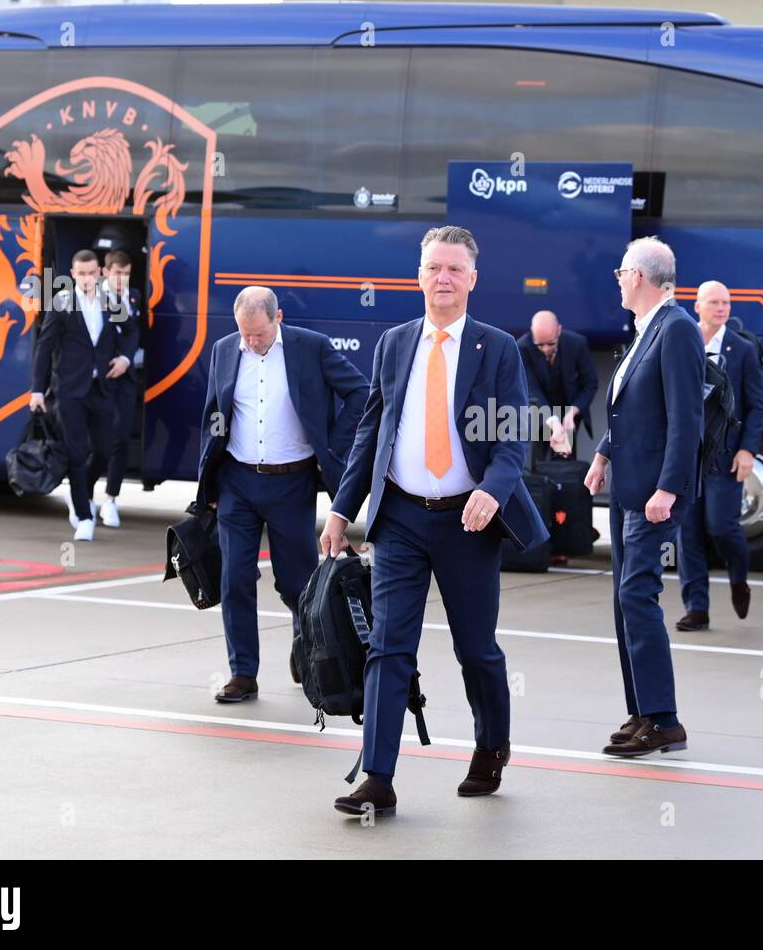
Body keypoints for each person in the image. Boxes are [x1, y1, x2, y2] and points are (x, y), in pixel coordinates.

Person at [320, 226, 547, 817]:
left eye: (453, 269)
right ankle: (378, 776)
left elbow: (511, 439)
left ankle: (491, 745)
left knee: (476, 650)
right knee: (388, 648)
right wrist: (343, 509)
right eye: (432, 268)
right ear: (418, 275)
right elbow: (371, 431)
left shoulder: (497, 348)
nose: (442, 278)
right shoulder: (394, 344)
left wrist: (493, 494)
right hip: (399, 520)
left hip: (468, 525)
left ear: (473, 278)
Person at [195, 286, 368, 704]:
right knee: (235, 577)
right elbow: (214, 413)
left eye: (258, 334)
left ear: (279, 318)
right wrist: (210, 482)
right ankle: (242, 673)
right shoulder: (224, 349)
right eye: (245, 335)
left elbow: (361, 392)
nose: (251, 343)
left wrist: (330, 444)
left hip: (292, 482)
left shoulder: (312, 347)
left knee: (297, 582)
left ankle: (305, 648)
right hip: (236, 481)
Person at [584, 236, 704, 757]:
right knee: (623, 599)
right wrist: (604, 454)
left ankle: (665, 719)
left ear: (637, 276)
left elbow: (686, 418)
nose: (617, 281)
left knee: (638, 594)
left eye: (620, 273)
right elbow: (635, 407)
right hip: (629, 485)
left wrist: (669, 488)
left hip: (653, 493)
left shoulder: (677, 330)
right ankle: (641, 709)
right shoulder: (647, 330)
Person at [29, 249, 137, 542]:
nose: (87, 279)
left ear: (99, 272)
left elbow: (131, 331)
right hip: (70, 391)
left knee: (103, 451)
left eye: (92, 273)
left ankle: (82, 494)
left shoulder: (109, 300)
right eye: (82, 274)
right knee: (77, 453)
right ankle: (84, 516)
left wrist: (125, 358)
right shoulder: (61, 303)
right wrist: (37, 389)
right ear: (73, 274)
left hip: (101, 388)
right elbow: (45, 347)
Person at [676, 280, 763, 631]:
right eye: (713, 302)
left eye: (726, 303)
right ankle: (696, 607)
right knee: (688, 532)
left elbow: (756, 406)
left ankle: (738, 576)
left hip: (725, 454)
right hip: (686, 455)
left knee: (722, 527)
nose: (721, 308)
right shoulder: (683, 343)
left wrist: (747, 449)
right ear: (697, 306)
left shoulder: (742, 350)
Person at [98, 250, 142, 529]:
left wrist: (127, 360)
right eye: (117, 273)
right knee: (95, 441)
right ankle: (83, 498)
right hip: (96, 379)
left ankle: (110, 498)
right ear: (105, 272)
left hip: (125, 378)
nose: (121, 279)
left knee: (121, 438)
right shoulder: (91, 296)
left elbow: (137, 332)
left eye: (126, 274)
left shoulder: (134, 296)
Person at [517, 310, 598, 460]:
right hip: (539, 410)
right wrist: (553, 422)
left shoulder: (577, 344)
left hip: (569, 408)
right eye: (540, 345)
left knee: (567, 456)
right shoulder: (522, 347)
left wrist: (572, 412)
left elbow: (590, 384)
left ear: (559, 330)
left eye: (551, 343)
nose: (546, 349)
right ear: (532, 333)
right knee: (539, 460)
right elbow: (530, 388)